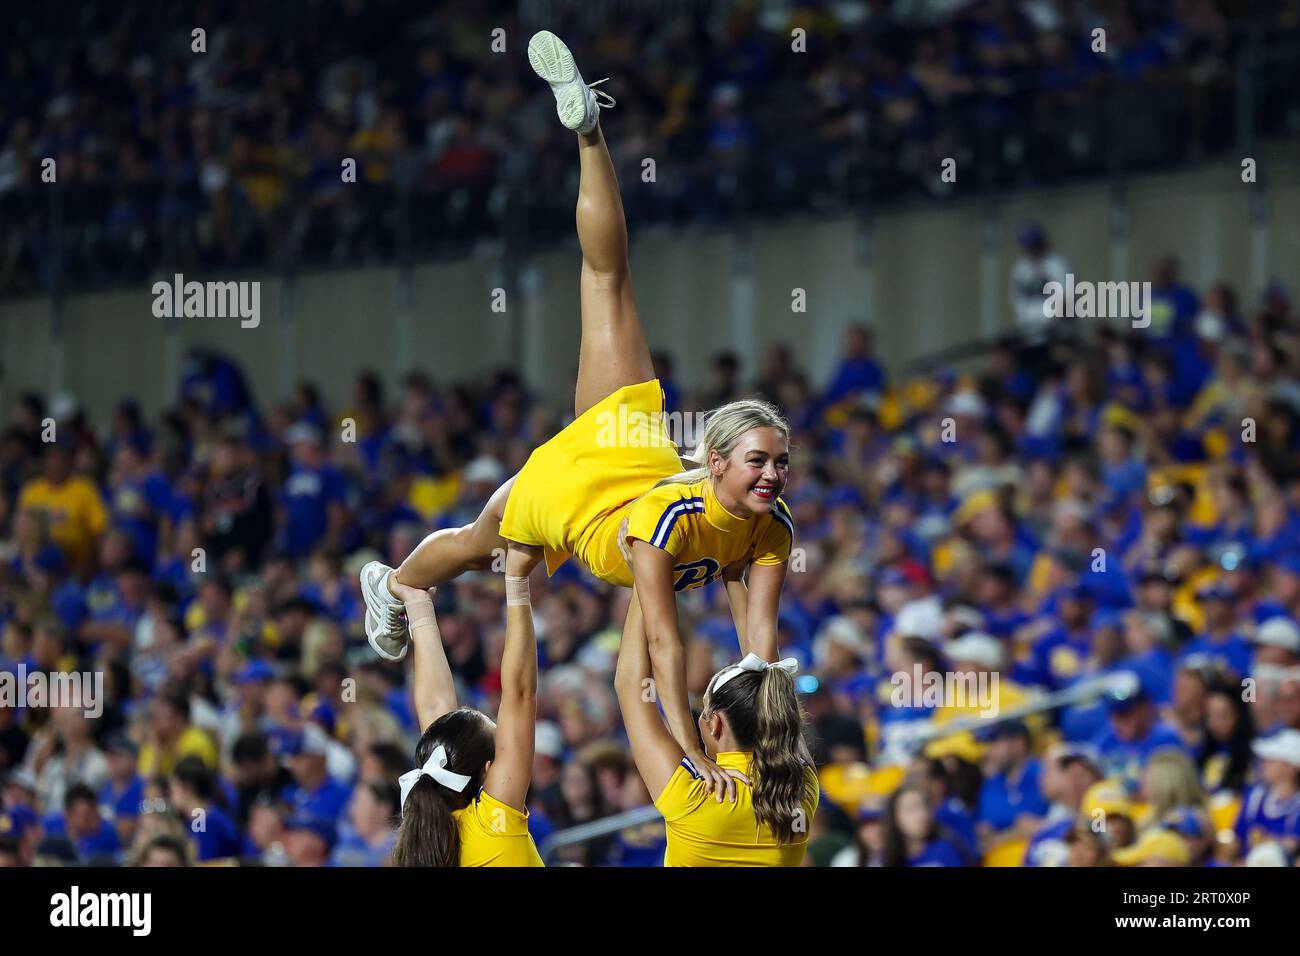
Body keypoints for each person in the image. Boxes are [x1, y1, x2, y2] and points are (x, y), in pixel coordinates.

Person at [360, 29, 795, 795]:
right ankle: (395, 584)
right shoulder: (672, 524)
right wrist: (694, 751)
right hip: (579, 502)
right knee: (471, 543)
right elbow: (661, 643)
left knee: (609, 279)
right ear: (716, 461)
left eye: (780, 462)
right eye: (757, 461)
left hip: (632, 447)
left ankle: (588, 127)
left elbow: (754, 652)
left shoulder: (773, 525)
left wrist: (765, 741)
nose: (773, 474)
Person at [613, 592, 818, 866]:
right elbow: (770, 675)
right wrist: (733, 577)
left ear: (716, 723)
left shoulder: (694, 794)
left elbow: (631, 683)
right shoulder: (801, 787)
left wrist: (645, 578)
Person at [389, 543, 544, 867]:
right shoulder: (492, 822)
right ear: (489, 771)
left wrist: (418, 606)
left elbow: (435, 709)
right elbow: (518, 694)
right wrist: (516, 581)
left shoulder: (429, 824)